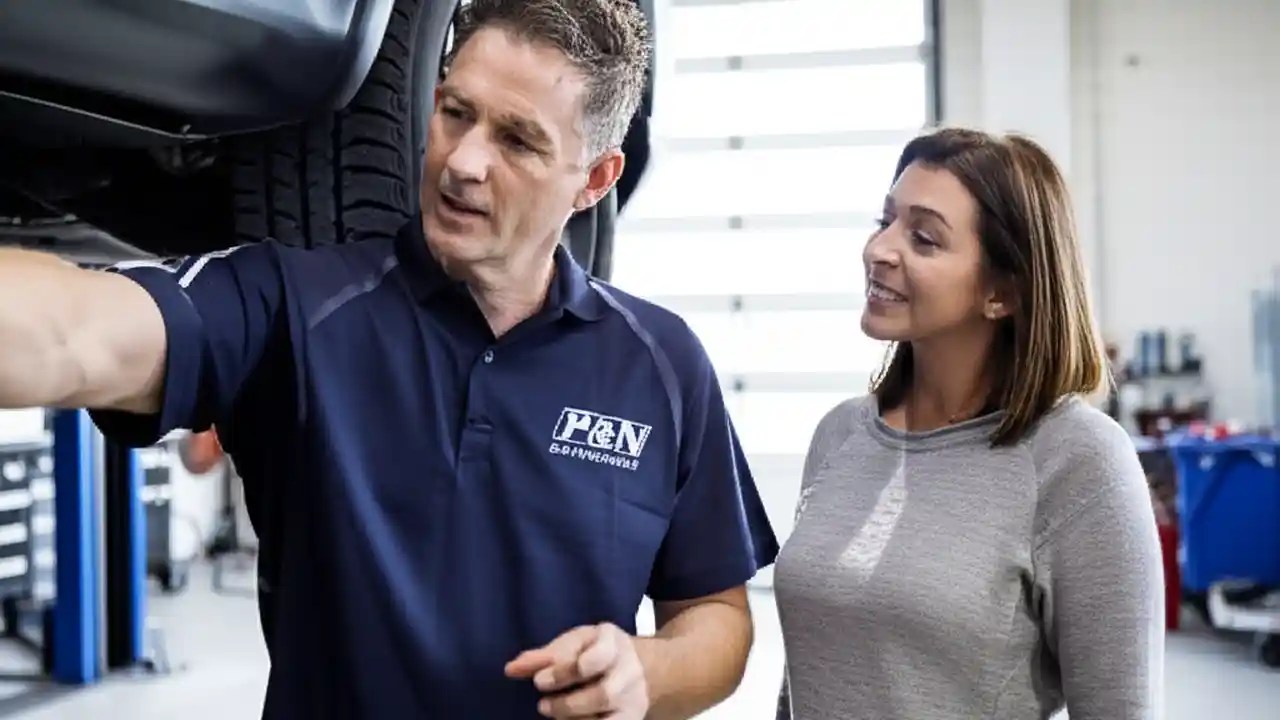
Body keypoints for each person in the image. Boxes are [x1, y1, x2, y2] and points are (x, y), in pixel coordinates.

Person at [0, 0, 778, 717]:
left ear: (595, 179)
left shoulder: (661, 363)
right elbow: (76, 332)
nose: (464, 161)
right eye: (454, 112)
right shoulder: (297, 307)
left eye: (517, 140)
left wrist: (647, 673)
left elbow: (715, 615)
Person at [773, 127, 1164, 719]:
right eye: (886, 220)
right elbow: (803, 679)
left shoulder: (1077, 460)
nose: (880, 248)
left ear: (1001, 294)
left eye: (923, 238)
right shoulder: (840, 435)